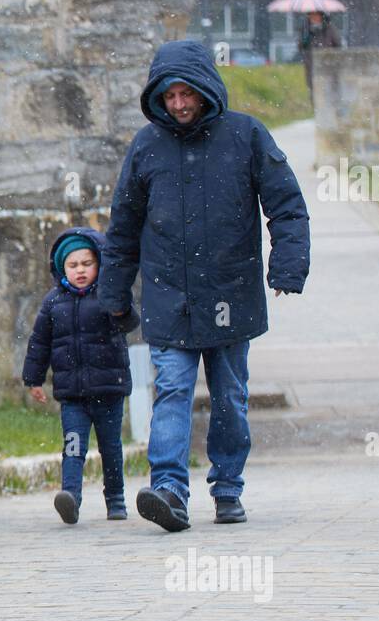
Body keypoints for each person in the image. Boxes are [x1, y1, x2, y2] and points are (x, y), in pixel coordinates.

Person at [99, 40, 310, 532]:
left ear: (204, 89)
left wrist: (288, 267)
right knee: (171, 389)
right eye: (169, 96)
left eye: (185, 94)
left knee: (229, 395)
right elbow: (123, 226)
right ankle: (170, 487)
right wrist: (113, 293)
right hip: (169, 295)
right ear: (158, 97)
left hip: (230, 295)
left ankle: (228, 486)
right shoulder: (146, 147)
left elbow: (287, 204)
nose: (179, 105)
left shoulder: (247, 136)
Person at [22, 227, 140, 525]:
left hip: (108, 389)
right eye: (73, 265)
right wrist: (33, 379)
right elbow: (39, 343)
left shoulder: (109, 295)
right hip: (73, 396)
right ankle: (70, 497)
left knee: (110, 447)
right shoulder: (52, 303)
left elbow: (130, 322)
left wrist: (120, 308)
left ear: (99, 263)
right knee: (73, 446)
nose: (80, 271)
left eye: (87, 264)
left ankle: (115, 499)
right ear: (62, 268)